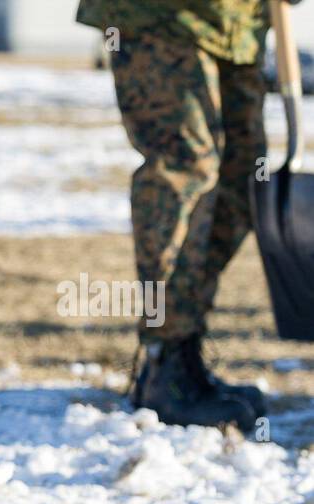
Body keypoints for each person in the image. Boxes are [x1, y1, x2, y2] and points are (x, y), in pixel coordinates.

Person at [76, 0, 300, 430]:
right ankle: (165, 358)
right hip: (162, 15)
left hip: (237, 23)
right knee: (185, 170)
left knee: (241, 182)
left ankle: (186, 350)